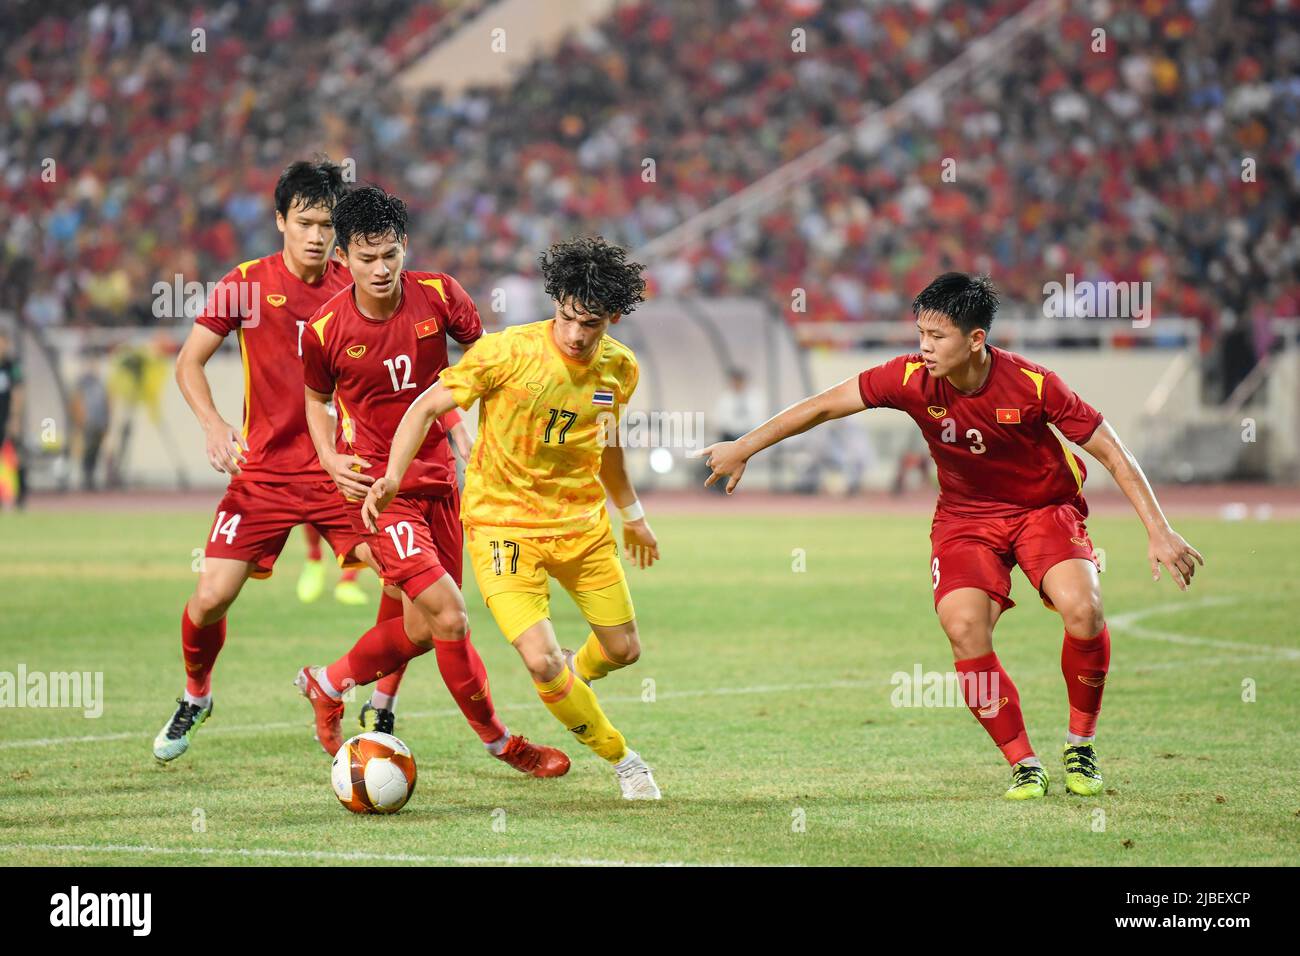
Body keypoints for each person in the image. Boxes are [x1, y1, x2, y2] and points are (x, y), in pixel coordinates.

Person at [697, 272, 1204, 800]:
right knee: (963, 626)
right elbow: (824, 404)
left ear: (976, 339)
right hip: (966, 518)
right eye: (920, 333)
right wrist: (745, 446)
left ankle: (1080, 744)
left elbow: (1110, 451)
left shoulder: (1034, 383)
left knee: (1084, 609)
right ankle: (1023, 762)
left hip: (1044, 510)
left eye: (937, 337)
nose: (924, 346)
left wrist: (1159, 529)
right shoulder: (909, 377)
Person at [362, 236, 663, 800]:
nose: (576, 334)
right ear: (556, 303)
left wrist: (633, 514)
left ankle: (572, 677)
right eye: (568, 317)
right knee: (541, 658)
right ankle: (624, 759)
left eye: (591, 324)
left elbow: (608, 445)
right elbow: (428, 404)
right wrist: (395, 475)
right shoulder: (507, 353)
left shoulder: (621, 370)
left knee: (624, 651)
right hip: (502, 527)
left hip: (582, 528)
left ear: (612, 319)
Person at [297, 185, 568, 777]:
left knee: (417, 625)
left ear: (404, 248)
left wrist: (480, 435)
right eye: (366, 258)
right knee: (449, 616)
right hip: (376, 490)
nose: (381, 268)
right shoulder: (322, 330)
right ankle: (502, 743)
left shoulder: (441, 295)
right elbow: (315, 402)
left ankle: (328, 681)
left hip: (440, 484)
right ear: (342, 259)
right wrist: (327, 457)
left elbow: (487, 368)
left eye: (390, 254)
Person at [153, 159, 417, 760]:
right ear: (280, 221)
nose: (319, 235)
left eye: (328, 223)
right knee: (211, 597)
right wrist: (215, 423)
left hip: (339, 472)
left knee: (409, 581)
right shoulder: (245, 283)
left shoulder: (359, 284)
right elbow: (188, 361)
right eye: (306, 222)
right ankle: (196, 695)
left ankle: (378, 701)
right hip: (264, 475)